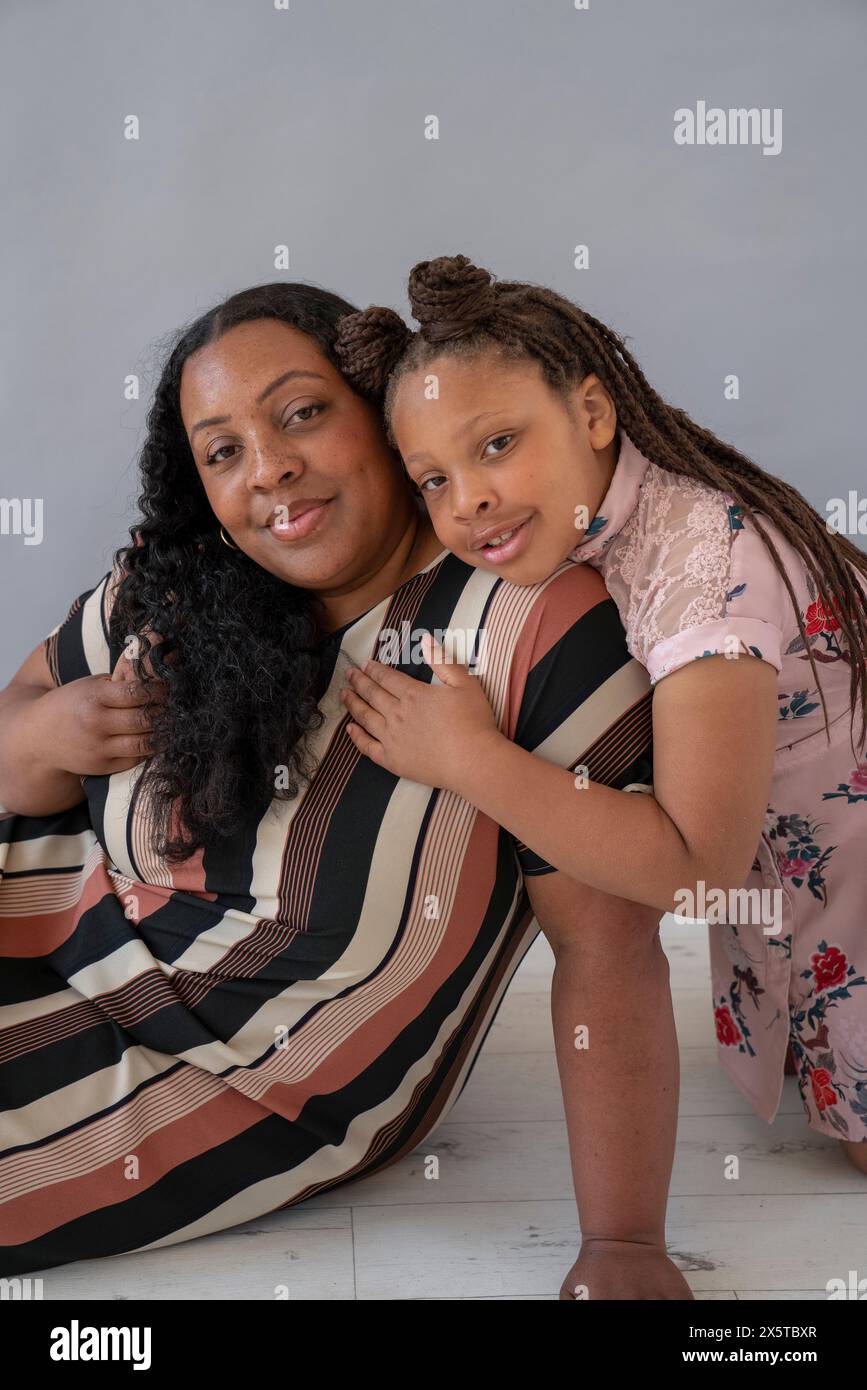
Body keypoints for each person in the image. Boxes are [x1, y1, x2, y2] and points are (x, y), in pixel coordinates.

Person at [0, 282, 689, 1298]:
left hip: (216, 1079)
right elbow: (16, 729)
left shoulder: (528, 626)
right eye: (223, 449)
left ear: (385, 408)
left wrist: (624, 1244)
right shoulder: (183, 586)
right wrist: (43, 736)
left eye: (301, 413)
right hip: (45, 927)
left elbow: (609, 950)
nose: (270, 469)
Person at [333, 253, 867, 1166]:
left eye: (496, 444)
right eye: (434, 478)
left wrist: (467, 759)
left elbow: (694, 867)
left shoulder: (701, 583)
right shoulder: (604, 509)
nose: (470, 503)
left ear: (590, 411)